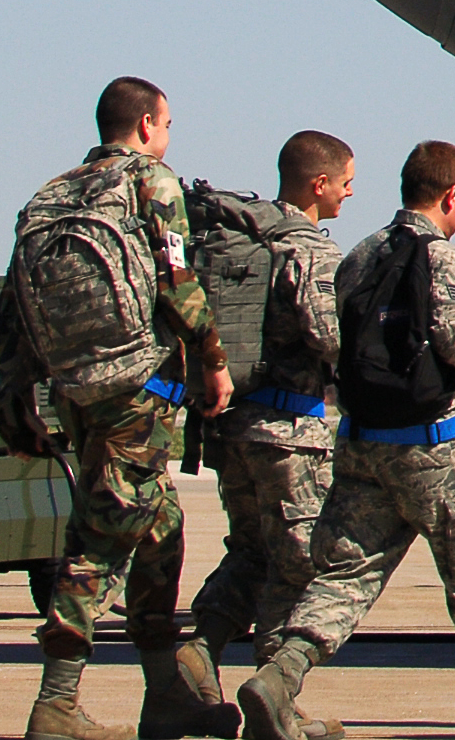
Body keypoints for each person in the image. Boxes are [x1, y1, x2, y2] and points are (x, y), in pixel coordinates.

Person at [236, 143, 455, 740]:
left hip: (364, 445)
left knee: (343, 575)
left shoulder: (359, 255)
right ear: (448, 197)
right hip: (435, 448)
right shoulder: (444, 257)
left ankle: (282, 673)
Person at [0, 78, 238, 740]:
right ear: (144, 127)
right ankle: (58, 702)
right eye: (166, 124)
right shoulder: (150, 183)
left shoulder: (49, 196)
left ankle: (165, 694)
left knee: (160, 531)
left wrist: (15, 393)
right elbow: (179, 282)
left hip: (77, 390)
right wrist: (213, 361)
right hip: (139, 390)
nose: (167, 137)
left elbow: (12, 304)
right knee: (100, 540)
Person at [190, 135, 353, 728]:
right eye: (345, 180)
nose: (349, 190)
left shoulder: (241, 237)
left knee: (252, 549)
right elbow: (331, 337)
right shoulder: (307, 248)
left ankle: (202, 646)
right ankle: (275, 693)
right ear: (318, 184)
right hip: (287, 432)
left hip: (230, 423)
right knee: (300, 562)